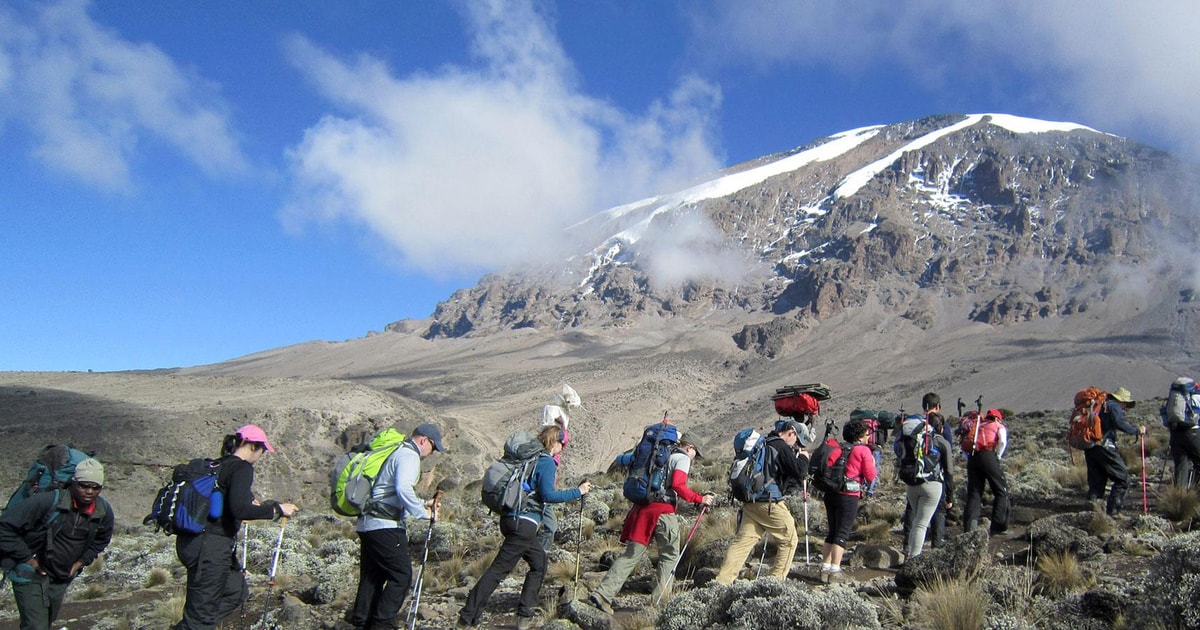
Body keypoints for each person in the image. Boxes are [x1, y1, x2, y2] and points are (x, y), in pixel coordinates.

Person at [458, 426, 589, 629]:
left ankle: (524, 615)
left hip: (510, 520)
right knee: (499, 570)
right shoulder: (545, 462)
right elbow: (548, 495)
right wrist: (577, 492)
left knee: (539, 562)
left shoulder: (528, 459)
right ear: (554, 441)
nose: (562, 449)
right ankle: (467, 617)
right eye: (562, 444)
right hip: (525, 524)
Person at [173, 425, 299, 630]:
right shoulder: (242, 468)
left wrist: (252, 505)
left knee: (236, 591)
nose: (261, 455)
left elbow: (229, 502)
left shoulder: (217, 465)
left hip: (192, 544)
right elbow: (239, 509)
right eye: (262, 450)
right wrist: (276, 509)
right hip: (210, 548)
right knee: (201, 617)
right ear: (251, 445)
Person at [589, 435, 714, 613]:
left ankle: (603, 594)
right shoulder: (682, 458)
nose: (695, 457)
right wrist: (699, 498)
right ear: (690, 448)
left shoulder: (658, 455)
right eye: (696, 453)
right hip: (663, 512)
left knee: (631, 555)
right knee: (670, 555)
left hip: (642, 509)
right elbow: (678, 485)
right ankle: (661, 603)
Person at [348, 423, 444, 630]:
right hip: (386, 526)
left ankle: (362, 621)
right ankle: (382, 624)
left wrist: (421, 503)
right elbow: (402, 488)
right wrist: (423, 513)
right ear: (424, 440)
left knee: (373, 575)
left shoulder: (396, 451)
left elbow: (389, 491)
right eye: (433, 448)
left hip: (368, 523)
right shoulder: (409, 455)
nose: (432, 453)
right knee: (401, 576)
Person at [0, 458, 114, 630]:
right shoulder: (48, 502)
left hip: (61, 577)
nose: (89, 491)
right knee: (36, 626)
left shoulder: (103, 511)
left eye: (95, 487)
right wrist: (28, 559)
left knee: (44, 623)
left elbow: (101, 540)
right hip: (30, 572)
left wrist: (79, 563)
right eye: (84, 486)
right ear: (74, 483)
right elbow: (4, 527)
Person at [714, 419, 807, 584]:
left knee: (742, 542)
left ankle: (722, 581)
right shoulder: (780, 446)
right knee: (790, 539)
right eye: (797, 441)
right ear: (791, 433)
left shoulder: (764, 443)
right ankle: (774, 582)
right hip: (769, 503)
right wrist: (804, 458)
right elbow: (799, 471)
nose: (796, 445)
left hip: (751, 503)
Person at [820, 419, 877, 583]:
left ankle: (825, 569)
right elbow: (871, 476)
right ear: (859, 436)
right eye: (867, 434)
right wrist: (872, 463)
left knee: (832, 531)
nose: (868, 438)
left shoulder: (838, 447)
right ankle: (835, 572)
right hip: (849, 495)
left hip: (831, 493)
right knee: (842, 533)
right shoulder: (863, 451)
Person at [902, 415, 955, 559]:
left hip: (912, 484)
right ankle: (914, 558)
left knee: (916, 521)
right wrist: (950, 496)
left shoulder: (914, 439)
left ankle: (910, 552)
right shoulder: (941, 442)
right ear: (941, 427)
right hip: (932, 485)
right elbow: (949, 471)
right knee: (921, 524)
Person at [1085, 388, 1144, 515]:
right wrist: (1137, 430)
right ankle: (1114, 511)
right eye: (1126, 404)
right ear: (1121, 401)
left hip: (1090, 446)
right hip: (1105, 446)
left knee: (1097, 482)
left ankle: (1093, 513)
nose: (1125, 407)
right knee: (1122, 479)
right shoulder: (1113, 406)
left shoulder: (1100, 406)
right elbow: (1119, 423)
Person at [961, 409, 1010, 535]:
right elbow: (1002, 441)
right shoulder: (998, 426)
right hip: (988, 455)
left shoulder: (977, 426)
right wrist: (997, 456)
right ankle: (998, 527)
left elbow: (965, 446)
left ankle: (969, 528)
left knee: (974, 493)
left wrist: (969, 458)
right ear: (998, 418)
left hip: (973, 458)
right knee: (1000, 490)